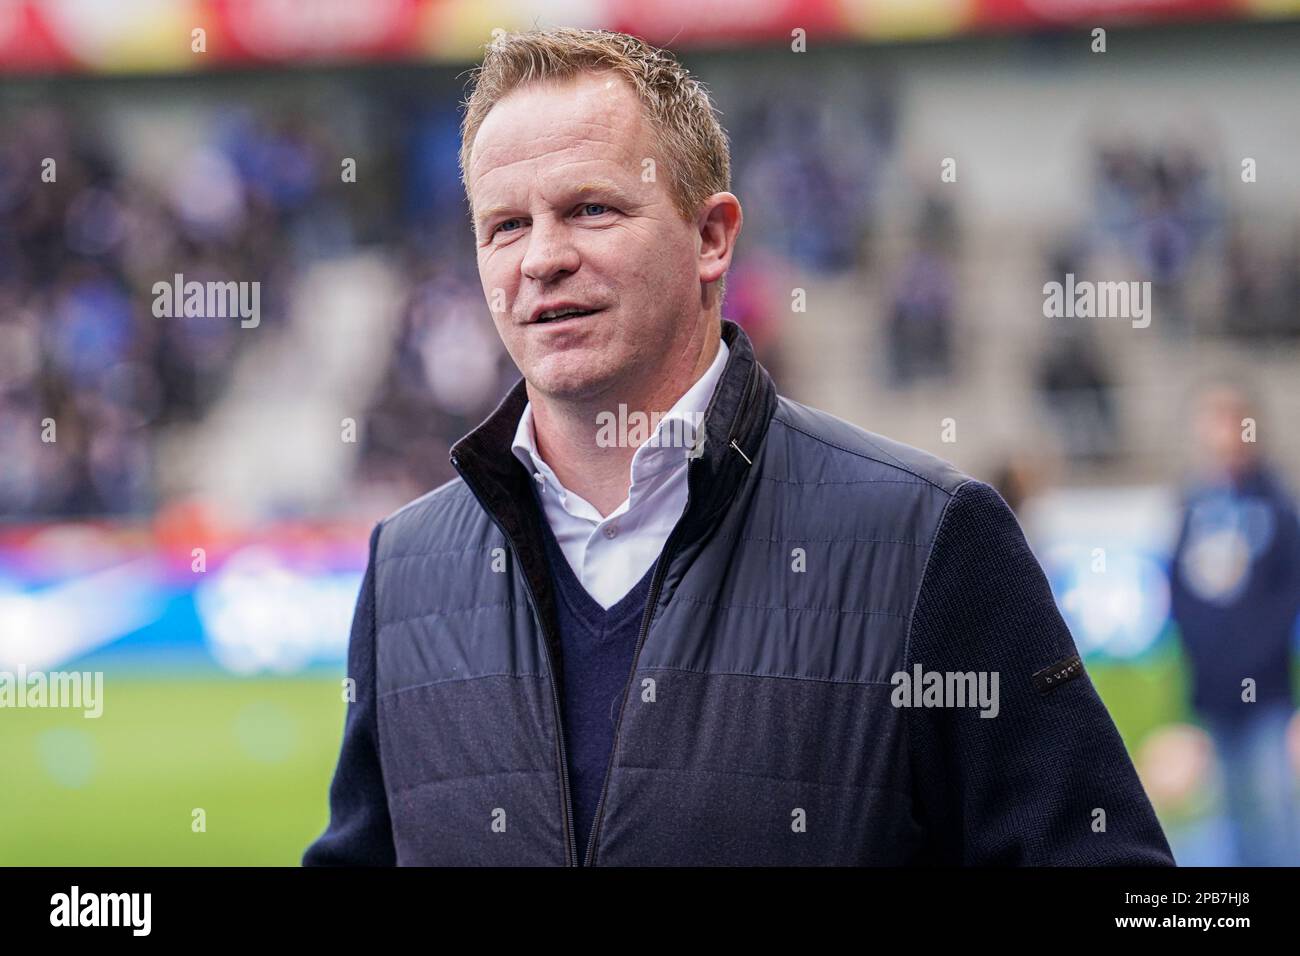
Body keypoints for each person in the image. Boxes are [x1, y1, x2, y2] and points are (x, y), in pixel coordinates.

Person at [303, 27, 1174, 866]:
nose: (541, 259)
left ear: (712, 237)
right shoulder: (405, 570)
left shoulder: (929, 537)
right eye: (504, 226)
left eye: (590, 209)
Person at [1170, 381, 1300, 866]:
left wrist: (1250, 659)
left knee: (1271, 811)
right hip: (1213, 690)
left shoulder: (1276, 505)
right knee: (1230, 815)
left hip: (1264, 692)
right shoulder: (1194, 503)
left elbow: (1285, 598)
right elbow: (1182, 591)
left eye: (1225, 419)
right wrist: (1206, 661)